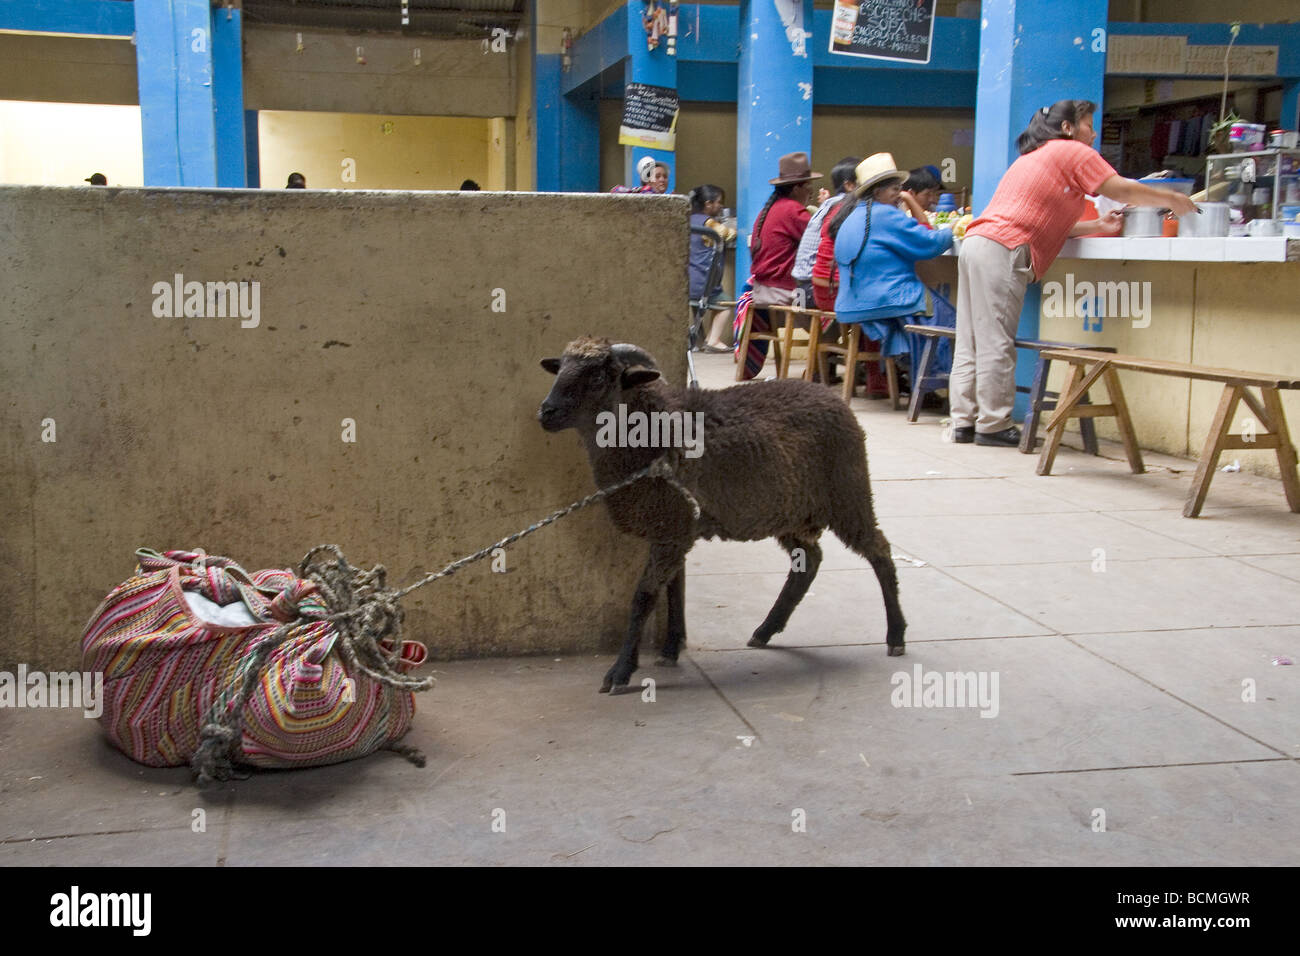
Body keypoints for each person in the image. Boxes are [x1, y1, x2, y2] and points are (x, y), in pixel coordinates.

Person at [950, 99, 1197, 446]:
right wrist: (1170, 198)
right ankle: (992, 424)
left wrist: (1096, 224)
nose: (1094, 133)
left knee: (971, 338)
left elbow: (1045, 224)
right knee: (995, 340)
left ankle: (963, 422)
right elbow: (1120, 189)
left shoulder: (1035, 156)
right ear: (1068, 128)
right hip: (1003, 247)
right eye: (1089, 125)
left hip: (979, 241)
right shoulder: (1071, 151)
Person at [830, 153, 953, 372]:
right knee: (947, 316)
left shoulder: (851, 214)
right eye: (895, 189)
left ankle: (915, 370)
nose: (900, 195)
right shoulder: (886, 215)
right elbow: (930, 244)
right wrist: (951, 232)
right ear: (878, 192)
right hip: (884, 298)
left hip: (852, 301)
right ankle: (935, 381)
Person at [793, 156, 859, 307]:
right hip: (816, 292)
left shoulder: (830, 204)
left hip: (801, 291)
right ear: (849, 185)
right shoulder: (850, 207)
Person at [688, 184, 731, 352]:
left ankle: (701, 341)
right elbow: (726, 233)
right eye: (718, 202)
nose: (720, 206)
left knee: (697, 308)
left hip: (689, 280)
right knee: (725, 304)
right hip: (704, 282)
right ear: (708, 204)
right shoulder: (709, 222)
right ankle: (713, 340)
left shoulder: (689, 219)